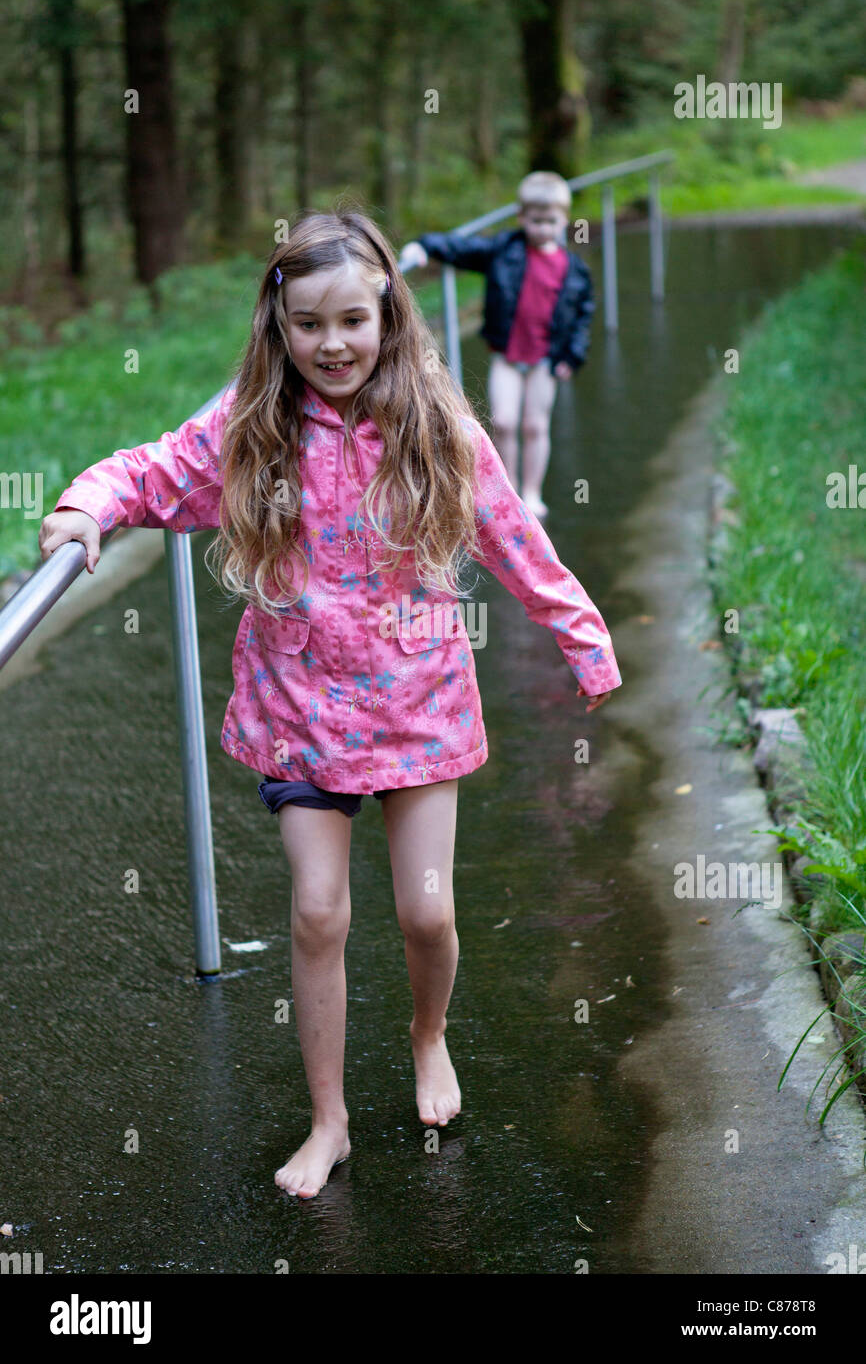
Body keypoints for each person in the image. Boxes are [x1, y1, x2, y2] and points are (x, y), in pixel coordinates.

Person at [39, 207, 621, 1201]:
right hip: (299, 708)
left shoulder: (434, 425)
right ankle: (329, 1119)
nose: (332, 344)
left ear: (388, 315)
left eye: (352, 320)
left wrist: (582, 637)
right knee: (316, 912)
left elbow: (513, 537)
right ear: (278, 326)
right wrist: (87, 502)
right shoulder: (251, 426)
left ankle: (427, 1034)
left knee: (425, 915)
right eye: (308, 325)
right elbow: (150, 469)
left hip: (418, 705)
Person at [399, 170, 593, 519]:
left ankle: (532, 492)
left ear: (564, 220)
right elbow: (462, 249)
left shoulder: (574, 270)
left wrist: (571, 356)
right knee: (502, 421)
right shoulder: (504, 250)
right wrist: (425, 245)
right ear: (522, 217)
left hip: (544, 359)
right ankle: (511, 490)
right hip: (507, 355)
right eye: (536, 221)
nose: (543, 228)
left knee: (535, 425)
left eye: (551, 221)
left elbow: (582, 317)